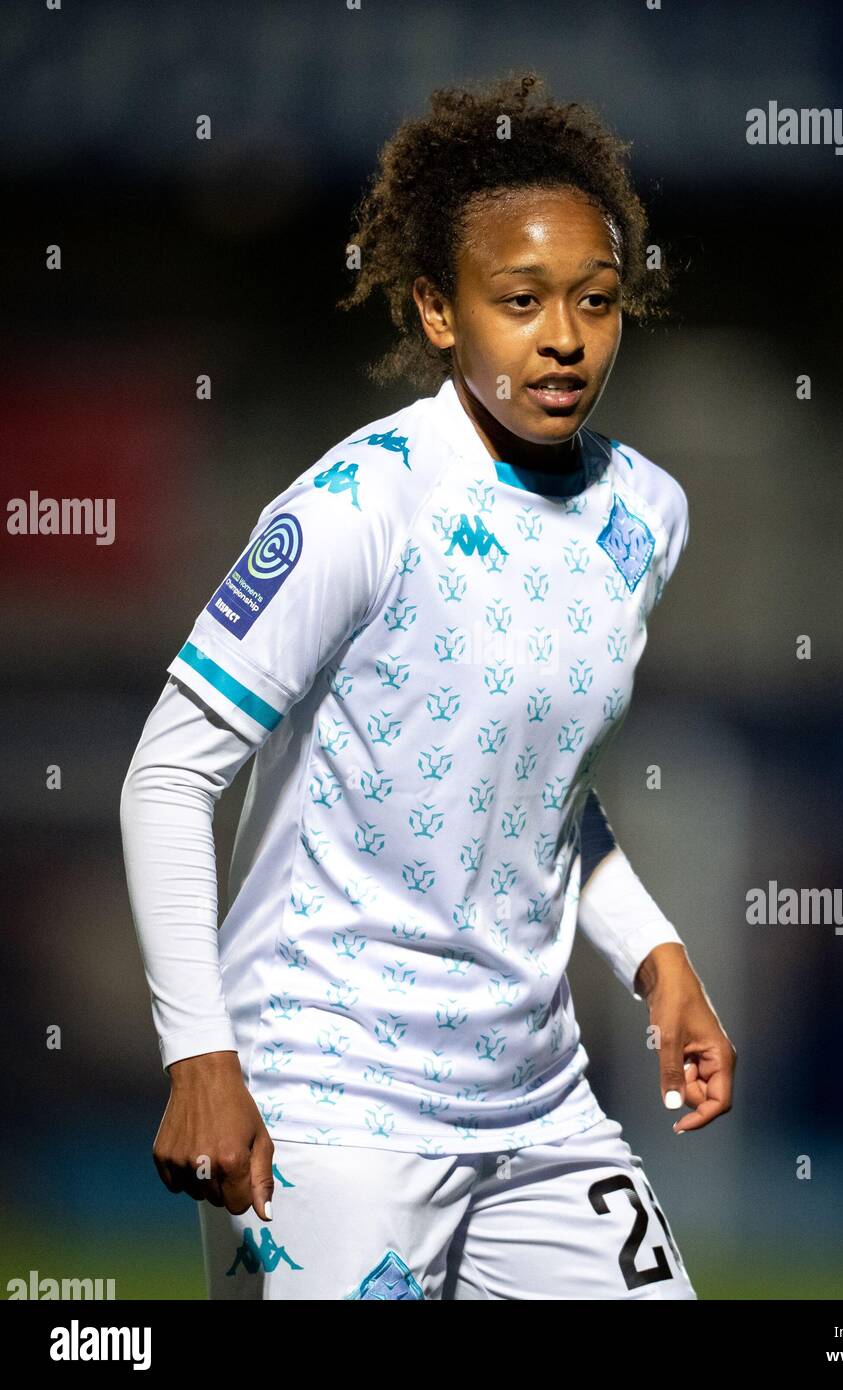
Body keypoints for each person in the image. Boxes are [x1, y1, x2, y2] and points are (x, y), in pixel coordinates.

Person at [120, 70, 736, 1301]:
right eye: (520, 301)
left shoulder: (643, 517)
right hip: (329, 1097)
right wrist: (201, 1053)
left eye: (598, 302)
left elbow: (537, 789)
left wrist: (656, 954)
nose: (564, 336)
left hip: (537, 1101)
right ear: (439, 312)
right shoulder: (360, 506)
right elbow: (166, 773)